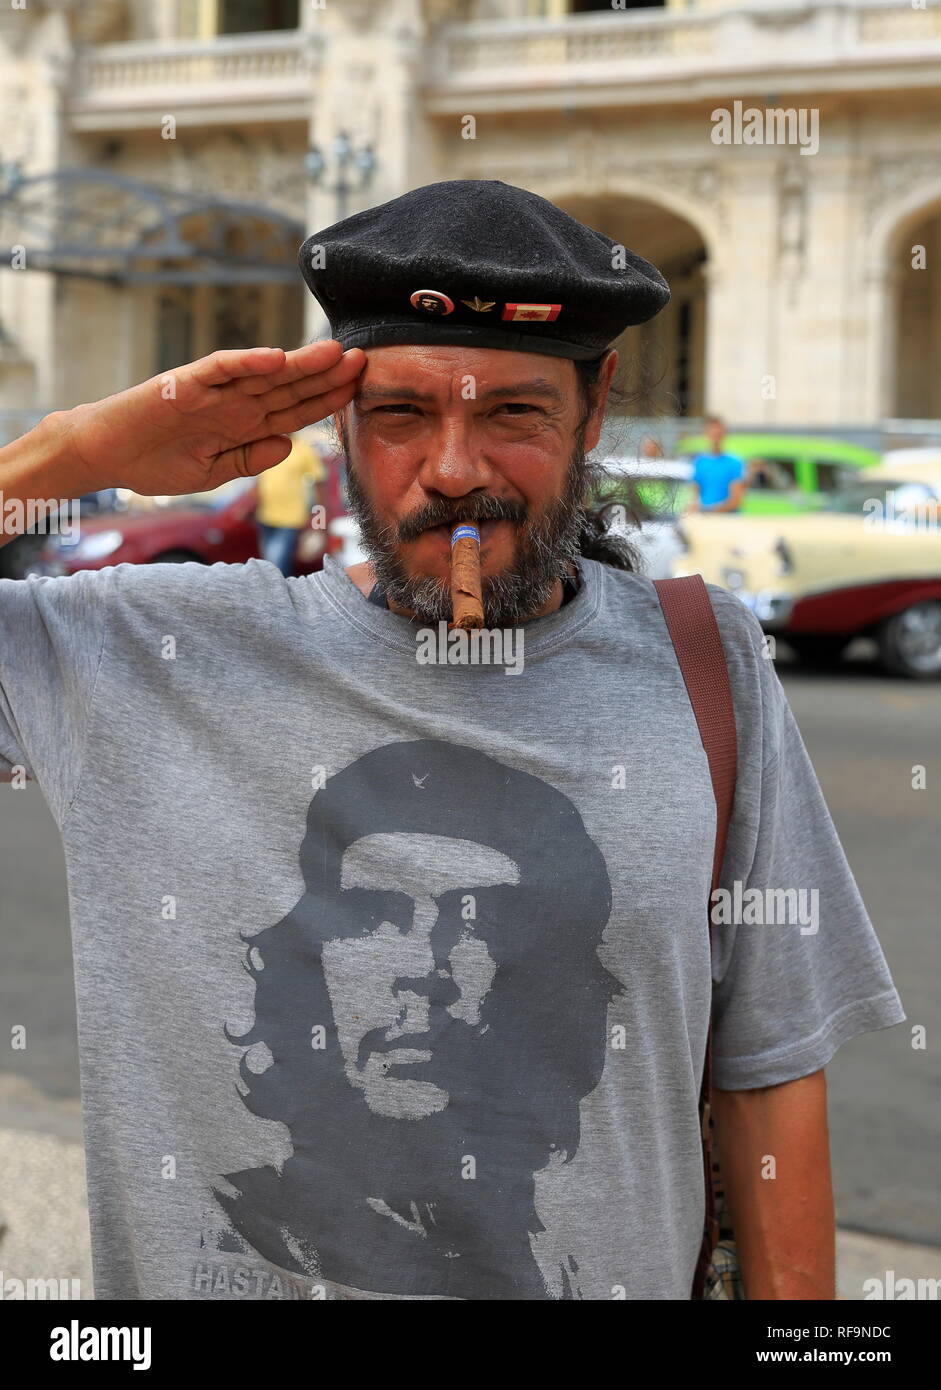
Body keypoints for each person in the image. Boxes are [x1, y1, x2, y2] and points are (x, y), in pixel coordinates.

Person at [0, 180, 903, 1301]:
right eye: (401, 417)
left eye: (513, 414)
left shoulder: (704, 663)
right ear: (337, 425)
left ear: (595, 404)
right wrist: (61, 455)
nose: (455, 471)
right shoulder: (147, 652)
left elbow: (770, 1070)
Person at [254, 430, 325, 576]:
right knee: (269, 566)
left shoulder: (303, 449)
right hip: (265, 516)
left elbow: (318, 485)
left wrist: (320, 522)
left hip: (290, 519)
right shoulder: (267, 447)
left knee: (274, 567)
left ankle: (276, 598)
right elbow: (260, 483)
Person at [687, 414, 748, 513]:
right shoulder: (699, 462)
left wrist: (710, 512)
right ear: (705, 434)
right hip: (705, 520)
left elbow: (736, 500)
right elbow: (694, 495)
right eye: (712, 431)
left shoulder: (735, 462)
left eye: (718, 431)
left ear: (724, 433)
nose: (715, 434)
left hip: (728, 520)